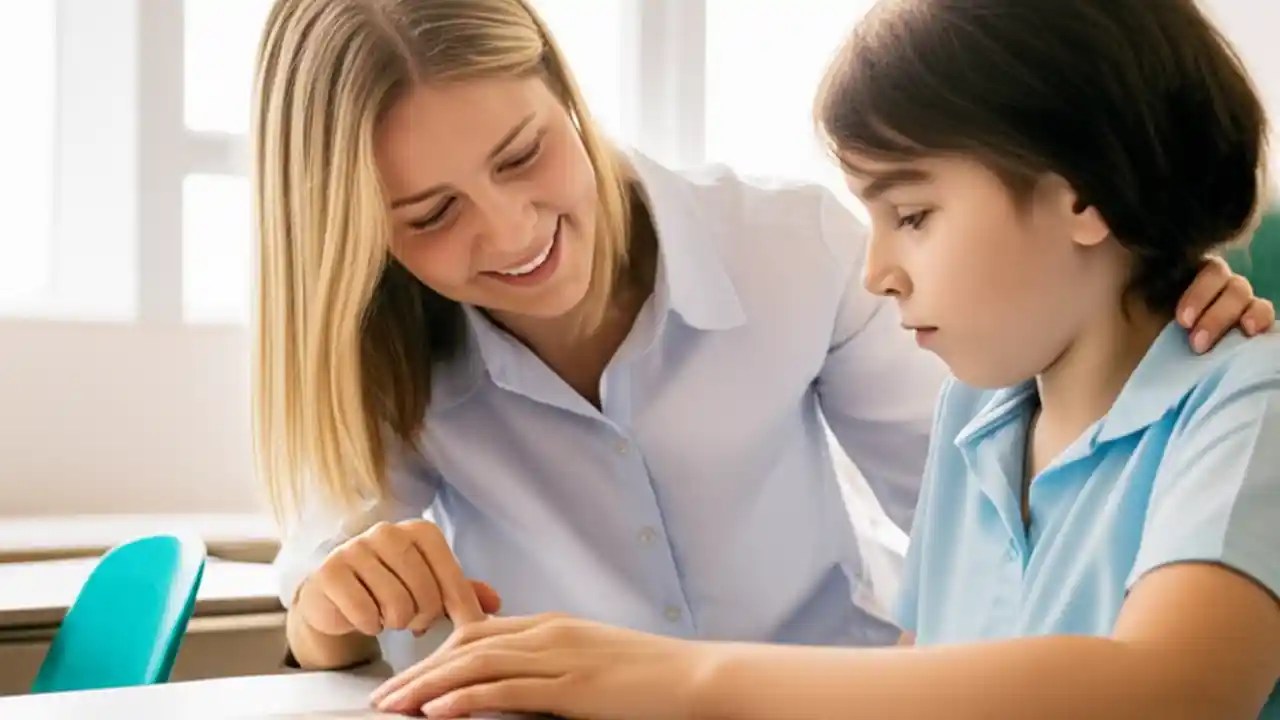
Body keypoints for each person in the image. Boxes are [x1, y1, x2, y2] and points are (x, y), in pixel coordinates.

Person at [253, 0, 1273, 679]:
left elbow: (1112, 636)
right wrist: (341, 597)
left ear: (568, 99)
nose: (510, 231)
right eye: (431, 215)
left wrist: (1140, 280)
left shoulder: (805, 260)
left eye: (524, 154)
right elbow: (976, 575)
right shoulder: (373, 342)